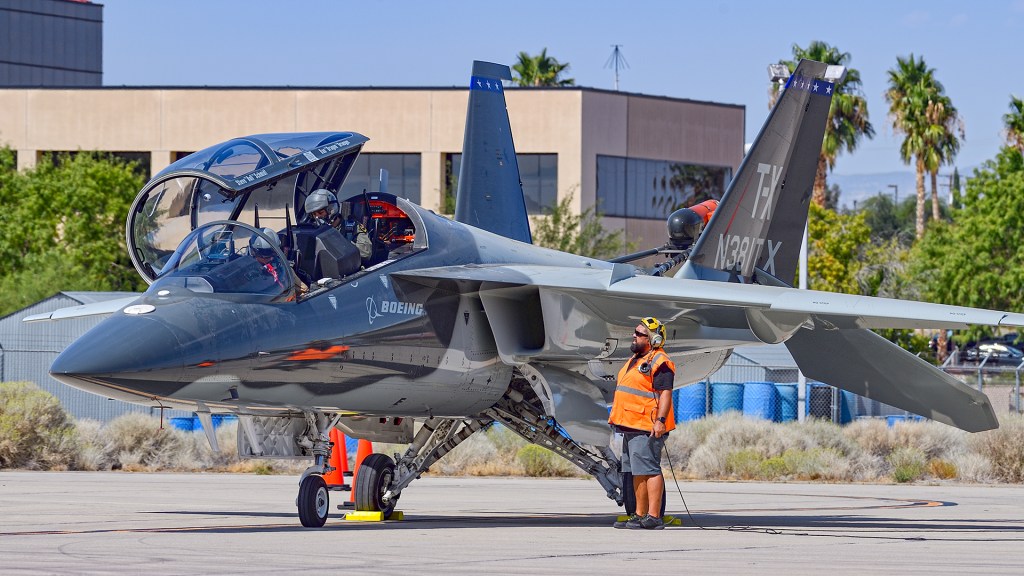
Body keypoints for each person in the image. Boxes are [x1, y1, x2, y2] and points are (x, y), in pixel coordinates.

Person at [608, 316, 675, 530]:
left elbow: (665, 394)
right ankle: (639, 514)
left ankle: (654, 516)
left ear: (653, 339)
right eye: (635, 332)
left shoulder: (660, 362)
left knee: (650, 469)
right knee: (636, 471)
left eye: (639, 334)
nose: (634, 336)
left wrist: (660, 421)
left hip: (646, 426)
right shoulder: (636, 359)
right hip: (630, 424)